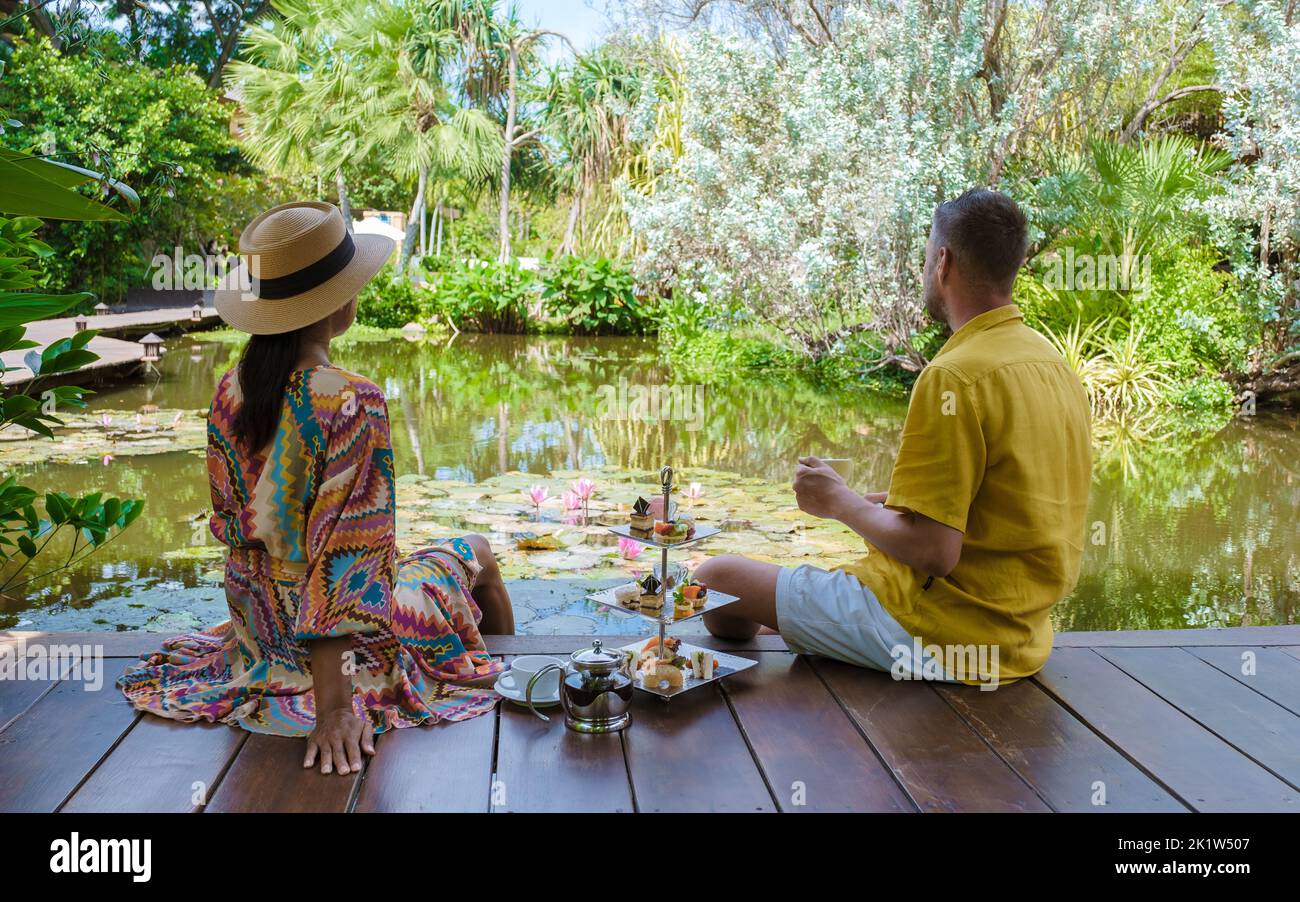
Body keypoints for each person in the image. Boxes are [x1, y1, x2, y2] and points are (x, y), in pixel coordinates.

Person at [119, 201, 514, 775]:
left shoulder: (232, 389)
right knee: (477, 551)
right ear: (341, 300)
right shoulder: (351, 398)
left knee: (432, 562)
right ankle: (504, 677)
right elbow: (346, 559)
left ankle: (484, 665)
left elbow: (238, 527)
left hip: (257, 632)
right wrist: (335, 708)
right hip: (342, 653)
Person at [696, 189, 1091, 685]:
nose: (927, 268)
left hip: (936, 635)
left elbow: (934, 554)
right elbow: (1014, 504)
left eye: (928, 256)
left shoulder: (953, 376)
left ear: (943, 262)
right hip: (1020, 637)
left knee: (715, 582)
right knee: (774, 583)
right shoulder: (1052, 363)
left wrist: (837, 503)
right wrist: (898, 505)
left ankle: (809, 640)